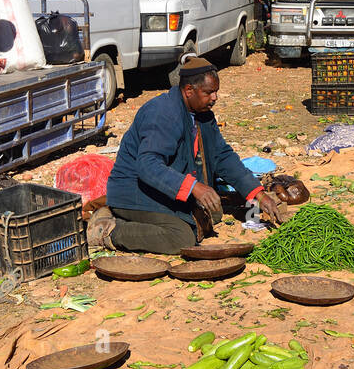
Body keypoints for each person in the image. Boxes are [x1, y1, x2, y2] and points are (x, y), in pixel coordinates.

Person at [89, 56, 284, 253]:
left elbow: (223, 156)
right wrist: (194, 187)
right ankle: (109, 230)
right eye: (209, 92)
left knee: (213, 213)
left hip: (161, 188)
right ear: (189, 90)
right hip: (133, 191)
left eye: (216, 92)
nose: (215, 97)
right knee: (182, 237)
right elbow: (148, 164)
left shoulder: (203, 114)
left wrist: (257, 193)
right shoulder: (163, 113)